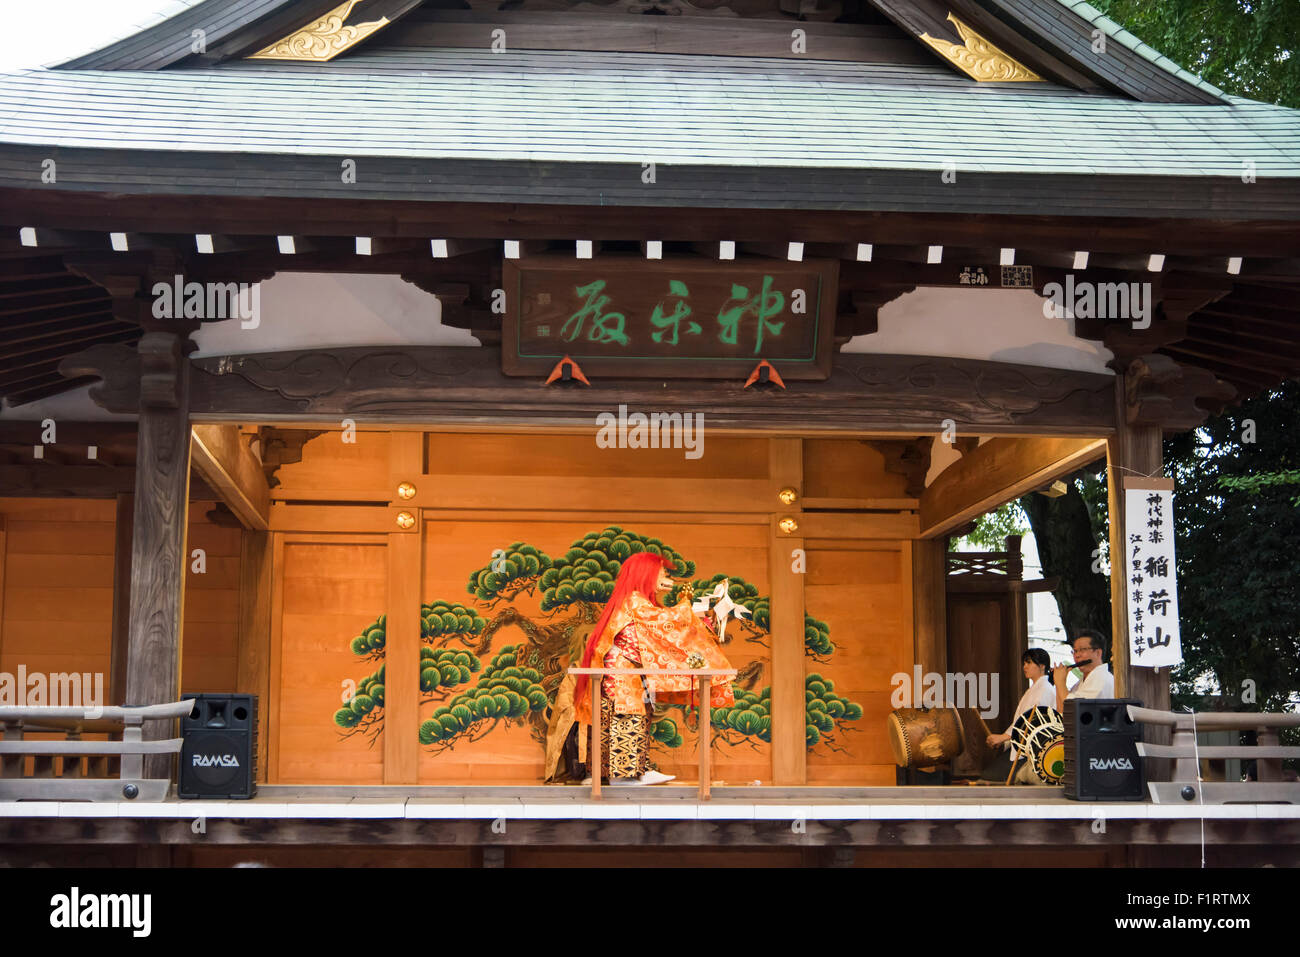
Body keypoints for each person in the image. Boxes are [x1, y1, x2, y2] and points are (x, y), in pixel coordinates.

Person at [550, 551, 736, 786]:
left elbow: (664, 628)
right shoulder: (635, 601)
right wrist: (687, 608)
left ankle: (627, 770)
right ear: (647, 573)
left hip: (629, 670)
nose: (666, 576)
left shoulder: (636, 602)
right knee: (627, 715)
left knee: (633, 716)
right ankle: (624, 774)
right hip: (622, 672)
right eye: (663, 571)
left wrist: (693, 618)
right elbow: (666, 623)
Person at [986, 648, 1057, 784]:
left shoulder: (1045, 690)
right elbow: (1021, 721)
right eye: (1024, 663)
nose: (1025, 667)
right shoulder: (1035, 689)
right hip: (1022, 746)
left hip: (1032, 751)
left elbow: (1032, 722)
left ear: (1042, 666)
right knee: (988, 776)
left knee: (989, 778)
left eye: (1029, 663)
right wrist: (1004, 740)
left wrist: (1003, 737)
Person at [1053, 629, 1115, 713]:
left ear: (1098, 653)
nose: (1077, 655)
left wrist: (1060, 683)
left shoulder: (1102, 678)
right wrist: (1058, 683)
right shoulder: (1079, 683)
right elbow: (1062, 712)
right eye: (1075, 651)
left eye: (1082, 650)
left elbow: (1074, 710)